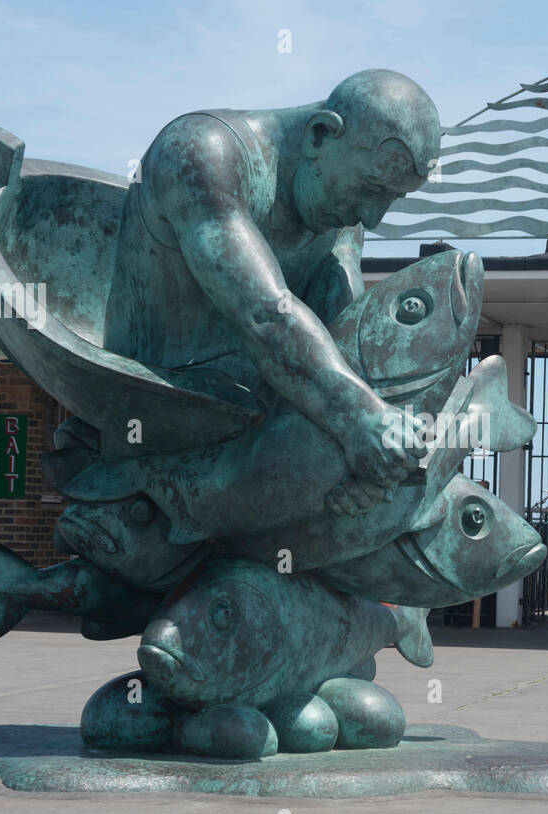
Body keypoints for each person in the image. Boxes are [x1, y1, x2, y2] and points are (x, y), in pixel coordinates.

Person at [102, 70, 441, 516]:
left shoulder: (341, 220)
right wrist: (365, 421)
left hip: (265, 431)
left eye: (392, 199)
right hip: (160, 412)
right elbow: (266, 315)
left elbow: (347, 350)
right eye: (373, 188)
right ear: (321, 135)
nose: (372, 217)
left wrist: (384, 458)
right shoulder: (201, 153)